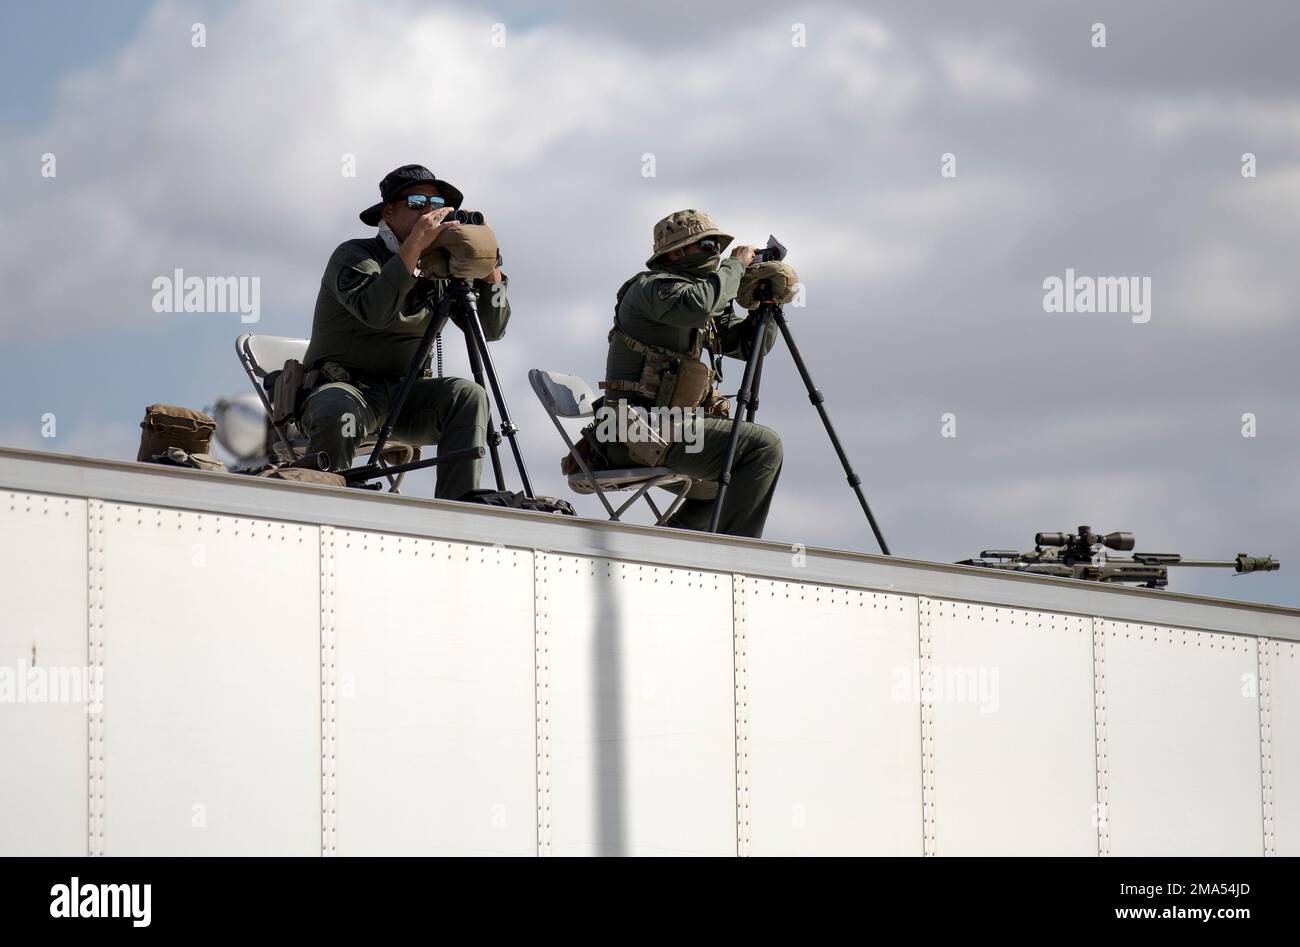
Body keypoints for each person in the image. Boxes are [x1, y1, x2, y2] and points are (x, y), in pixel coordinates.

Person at [299, 164, 509, 499]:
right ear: (388, 212)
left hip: (405, 398)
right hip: (348, 390)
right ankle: (326, 504)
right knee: (339, 410)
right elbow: (377, 312)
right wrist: (414, 247)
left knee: (469, 397)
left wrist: (490, 267)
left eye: (437, 204)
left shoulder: (440, 268)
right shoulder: (355, 255)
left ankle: (459, 512)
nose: (429, 212)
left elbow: (490, 330)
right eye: (416, 203)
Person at [594, 209, 783, 538]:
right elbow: (698, 306)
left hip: (666, 429)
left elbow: (752, 349)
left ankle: (673, 546)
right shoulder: (652, 289)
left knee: (734, 477)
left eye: (719, 247)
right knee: (762, 447)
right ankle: (737, 557)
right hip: (631, 432)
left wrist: (763, 304)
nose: (715, 254)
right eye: (707, 245)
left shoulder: (703, 295)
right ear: (676, 252)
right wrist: (735, 266)